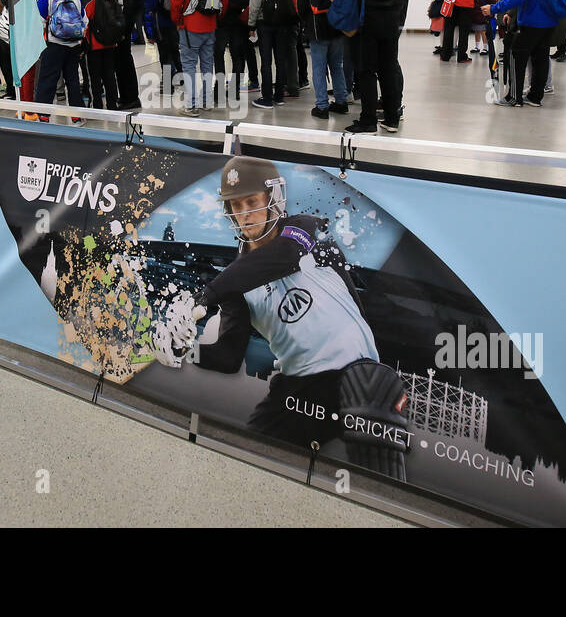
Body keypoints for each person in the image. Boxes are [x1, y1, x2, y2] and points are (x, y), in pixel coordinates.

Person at [151, 156, 408, 481]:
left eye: (252, 201)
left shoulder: (304, 228)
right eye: (236, 205)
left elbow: (285, 255)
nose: (245, 213)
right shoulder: (236, 283)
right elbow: (229, 357)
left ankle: (386, 496)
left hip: (355, 372)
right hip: (299, 387)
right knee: (252, 460)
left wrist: (205, 296)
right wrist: (187, 350)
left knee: (370, 390)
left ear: (273, 199)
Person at [480, 0, 564, 108]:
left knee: (516, 55)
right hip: (549, 20)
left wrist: (494, 8)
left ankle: (514, 97)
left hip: (532, 20)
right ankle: (535, 97)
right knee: (541, 57)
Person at [344, 0, 406, 134]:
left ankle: (368, 120)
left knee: (367, 71)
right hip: (389, 22)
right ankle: (392, 118)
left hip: (366, 23)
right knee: (388, 69)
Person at [171, 0, 227, 117]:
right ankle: (207, 101)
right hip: (210, 25)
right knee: (207, 64)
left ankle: (191, 105)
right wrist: (217, 17)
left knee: (188, 65)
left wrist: (177, 20)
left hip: (189, 25)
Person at [296, 0, 347, 120]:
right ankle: (341, 101)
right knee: (337, 65)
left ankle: (322, 106)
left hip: (317, 25)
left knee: (318, 67)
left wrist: (304, 20)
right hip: (338, 22)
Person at [33, 0, 86, 121]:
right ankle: (77, 116)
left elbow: (39, 22)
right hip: (74, 45)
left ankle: (43, 116)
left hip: (53, 45)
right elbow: (85, 20)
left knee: (47, 80)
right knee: (73, 80)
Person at [248, 0, 296, 112]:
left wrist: (251, 24)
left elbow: (254, 4)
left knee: (266, 62)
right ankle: (279, 97)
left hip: (265, 23)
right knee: (281, 59)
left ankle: (267, 98)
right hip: (283, 22)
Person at [103, 0, 143, 109]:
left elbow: (122, 3)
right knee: (124, 61)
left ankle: (129, 98)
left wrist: (120, 28)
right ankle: (129, 96)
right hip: (127, 25)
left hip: (123, 27)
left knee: (123, 62)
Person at [79, 0, 124, 111]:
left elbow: (84, 22)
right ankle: (112, 104)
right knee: (110, 75)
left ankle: (97, 105)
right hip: (111, 41)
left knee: (94, 77)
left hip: (94, 43)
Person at [145, 0, 182, 100]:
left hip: (160, 21)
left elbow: (151, 5)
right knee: (175, 51)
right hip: (173, 20)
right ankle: (182, 79)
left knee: (164, 55)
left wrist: (150, 31)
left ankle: (168, 86)